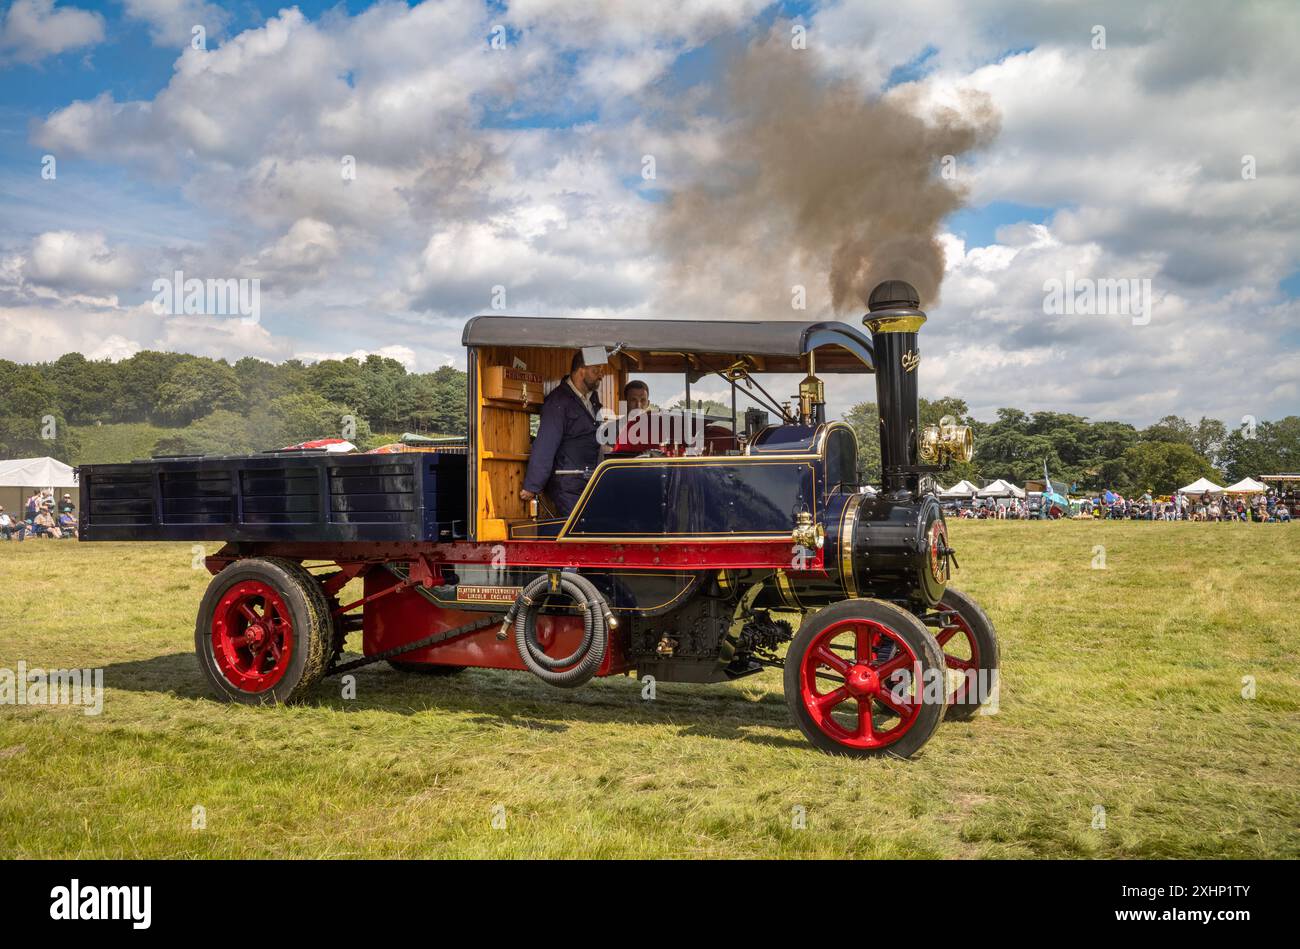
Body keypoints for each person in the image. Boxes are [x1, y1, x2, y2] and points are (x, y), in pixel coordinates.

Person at [520, 349, 606, 517]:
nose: (601, 376)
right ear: (581, 370)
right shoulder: (558, 402)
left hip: (588, 481)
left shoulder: (591, 400)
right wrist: (532, 485)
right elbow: (546, 444)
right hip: (567, 485)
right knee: (580, 534)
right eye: (596, 371)